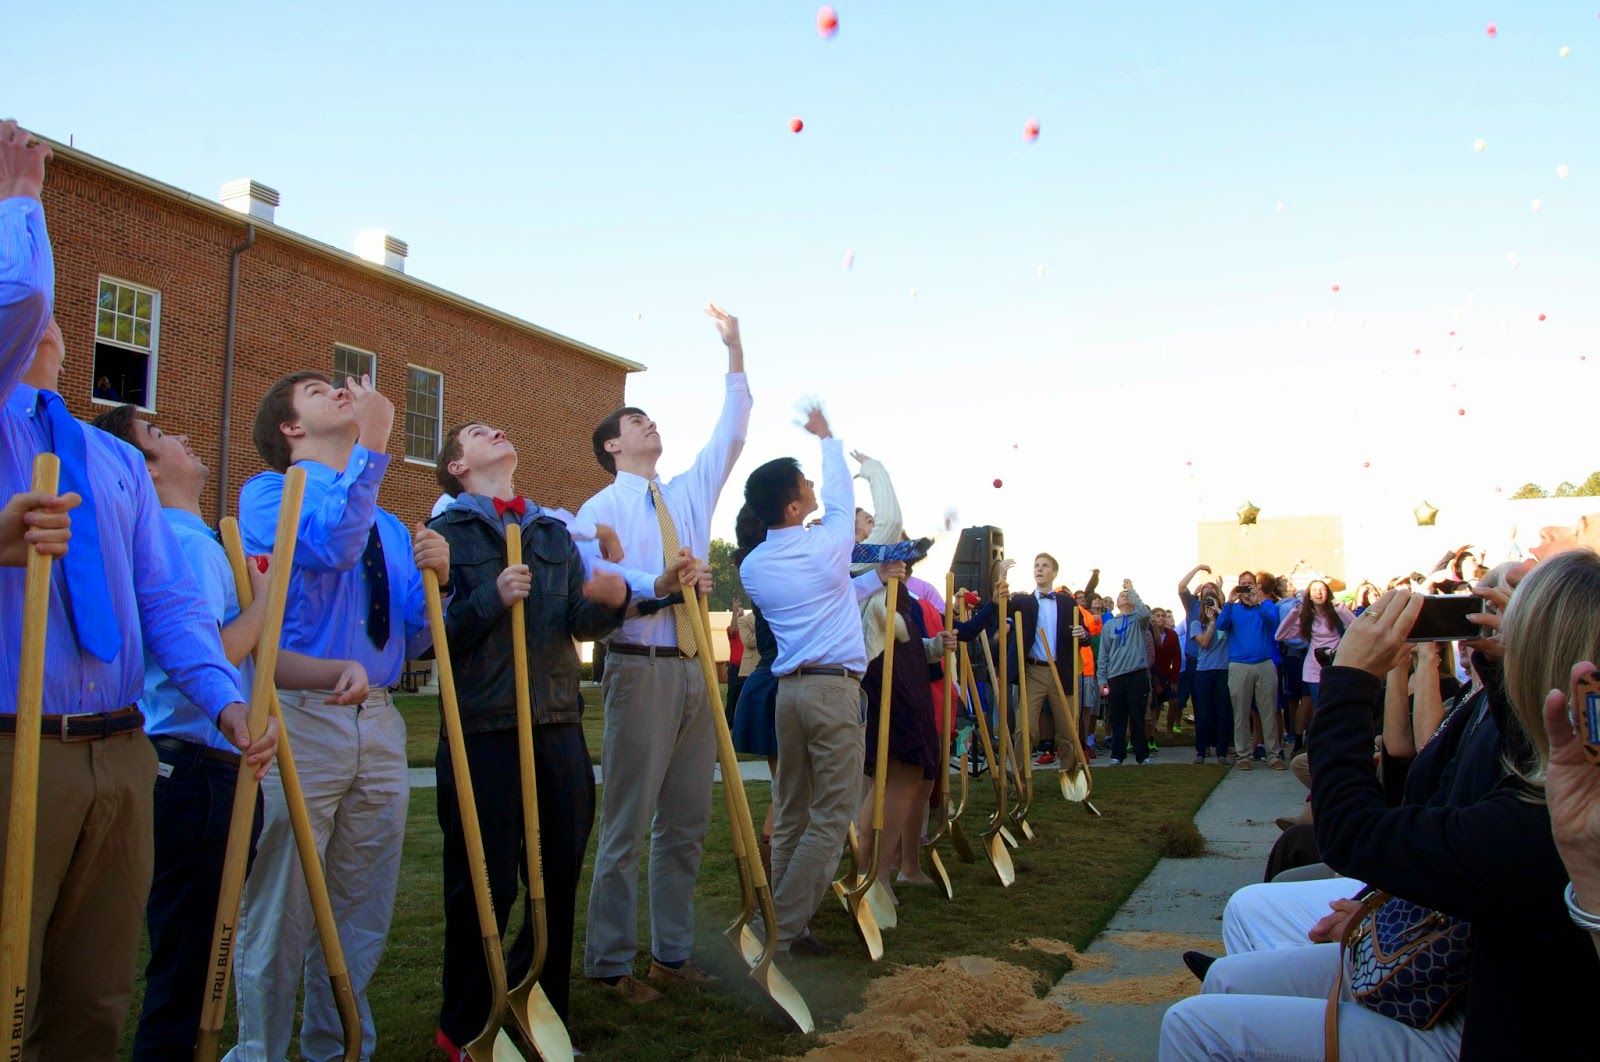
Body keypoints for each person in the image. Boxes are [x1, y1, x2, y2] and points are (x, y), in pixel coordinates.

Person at [0, 125, 276, 1061]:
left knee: (94, 1000)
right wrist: (19, 199)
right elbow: (23, 291)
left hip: (120, 752)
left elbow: (166, 606)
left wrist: (225, 702)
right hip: (10, 747)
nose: (39, 316)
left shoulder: (113, 457)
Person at [1161, 568, 1600, 1060]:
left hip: (1460, 1015)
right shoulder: (1556, 790)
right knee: (1226, 972)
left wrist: (1348, 680)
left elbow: (1352, 833)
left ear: (1537, 657)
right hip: (1462, 977)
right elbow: (1503, 765)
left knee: (1192, 1024)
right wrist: (1500, 678)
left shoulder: (1543, 823)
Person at [91, 405, 371, 1061]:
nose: (181, 435)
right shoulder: (176, 542)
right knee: (189, 964)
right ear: (144, 467)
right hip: (192, 765)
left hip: (217, 761)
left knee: (197, 957)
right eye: (161, 435)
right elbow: (208, 650)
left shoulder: (200, 542)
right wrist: (267, 604)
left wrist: (334, 665)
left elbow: (253, 658)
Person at [231, 369, 450, 1061]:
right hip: (300, 716)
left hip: (380, 719)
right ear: (291, 427)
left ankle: (338, 1047)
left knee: (362, 905)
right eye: (319, 391)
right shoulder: (271, 492)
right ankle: (258, 1051)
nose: (340, 393)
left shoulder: (385, 517)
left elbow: (411, 632)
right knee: (283, 907)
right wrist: (377, 441)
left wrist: (442, 578)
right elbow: (329, 545)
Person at [427, 422, 631, 1055]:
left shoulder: (548, 531)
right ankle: (463, 1023)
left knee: (558, 870)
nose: (496, 431)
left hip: (556, 719)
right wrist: (491, 595)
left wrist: (609, 601)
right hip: (484, 726)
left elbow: (576, 619)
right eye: (476, 434)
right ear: (458, 466)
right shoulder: (445, 533)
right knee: (484, 880)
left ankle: (538, 999)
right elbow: (436, 632)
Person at [578, 302, 749, 999]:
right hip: (637, 669)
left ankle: (671, 956)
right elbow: (598, 588)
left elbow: (731, 432)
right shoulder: (599, 510)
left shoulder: (687, 493)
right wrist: (661, 582)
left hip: (693, 674)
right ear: (614, 446)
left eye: (650, 418)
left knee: (686, 822)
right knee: (626, 822)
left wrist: (735, 351)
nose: (649, 424)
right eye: (634, 421)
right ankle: (610, 962)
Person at [739, 403, 901, 955]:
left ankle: (789, 926)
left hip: (791, 694)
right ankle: (780, 929)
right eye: (803, 485)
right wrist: (828, 439)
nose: (814, 486)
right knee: (831, 814)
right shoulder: (827, 541)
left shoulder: (755, 567)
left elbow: (826, 596)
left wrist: (874, 579)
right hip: (834, 693)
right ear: (792, 505)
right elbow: (840, 497)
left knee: (790, 811)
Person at [1002, 553, 1079, 769]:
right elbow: (1000, 606)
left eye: (1045, 566)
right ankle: (1019, 779)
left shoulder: (1068, 603)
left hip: (1061, 671)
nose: (1039, 569)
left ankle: (1070, 774)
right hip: (1033, 671)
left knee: (1067, 730)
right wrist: (1001, 577)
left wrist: (1083, 635)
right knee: (1024, 730)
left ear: (1054, 572)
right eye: (1036, 565)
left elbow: (1084, 637)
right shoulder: (1023, 601)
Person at [1217, 581, 1285, 770]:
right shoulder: (1233, 609)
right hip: (1239, 665)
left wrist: (1259, 603)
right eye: (1243, 588)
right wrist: (1229, 602)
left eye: (1250, 588)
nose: (1247, 593)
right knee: (1241, 713)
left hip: (1264, 663)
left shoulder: (1263, 608)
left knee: (1269, 711)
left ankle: (1273, 754)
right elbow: (1221, 625)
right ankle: (1243, 756)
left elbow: (1273, 623)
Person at [1091, 580, 1152, 765]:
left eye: (1127, 595)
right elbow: (1103, 654)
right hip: (1116, 676)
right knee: (1117, 717)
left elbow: (1145, 612)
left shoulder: (1139, 621)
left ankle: (1142, 754)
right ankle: (1117, 754)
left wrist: (1132, 589)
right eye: (1121, 595)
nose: (1124, 596)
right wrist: (1102, 679)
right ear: (1116, 603)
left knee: (1137, 716)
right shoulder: (1110, 625)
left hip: (1137, 674)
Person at [1189, 587, 1232, 764]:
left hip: (1223, 671)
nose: (1210, 605)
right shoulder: (1196, 624)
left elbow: (1231, 629)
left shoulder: (1226, 621)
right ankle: (1201, 751)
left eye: (1213, 601)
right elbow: (1204, 643)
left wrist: (1219, 613)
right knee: (1203, 713)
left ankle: (1221, 752)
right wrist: (1212, 622)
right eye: (1207, 602)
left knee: (1222, 713)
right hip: (1204, 671)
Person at [726, 597, 747, 729]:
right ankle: (729, 724)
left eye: (741, 611)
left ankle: (742, 724)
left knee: (744, 698)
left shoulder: (748, 630)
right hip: (735, 669)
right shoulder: (731, 630)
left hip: (746, 668)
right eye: (738, 611)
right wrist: (734, 612)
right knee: (732, 697)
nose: (740, 613)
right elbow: (733, 629)